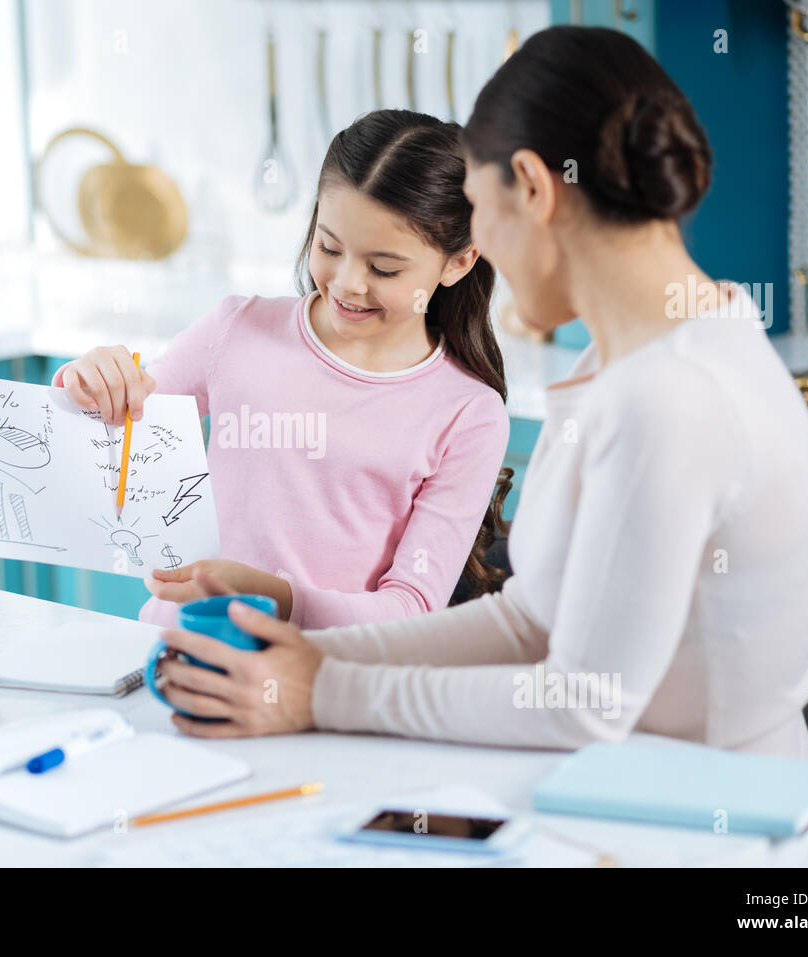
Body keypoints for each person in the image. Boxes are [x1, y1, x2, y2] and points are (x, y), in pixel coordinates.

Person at [153, 26, 808, 759]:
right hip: (641, 785)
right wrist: (321, 663)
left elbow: (583, 700)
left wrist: (318, 692)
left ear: (534, 190)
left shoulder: (667, 395)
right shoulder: (660, 352)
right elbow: (528, 623)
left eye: (479, 209)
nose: (482, 257)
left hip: (712, 815)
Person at [53, 110, 510, 629]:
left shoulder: (468, 413)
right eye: (329, 246)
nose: (346, 283)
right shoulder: (236, 329)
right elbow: (106, 432)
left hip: (320, 688)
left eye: (384, 268)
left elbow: (410, 609)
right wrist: (87, 383)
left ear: (459, 262)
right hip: (170, 654)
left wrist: (273, 598)